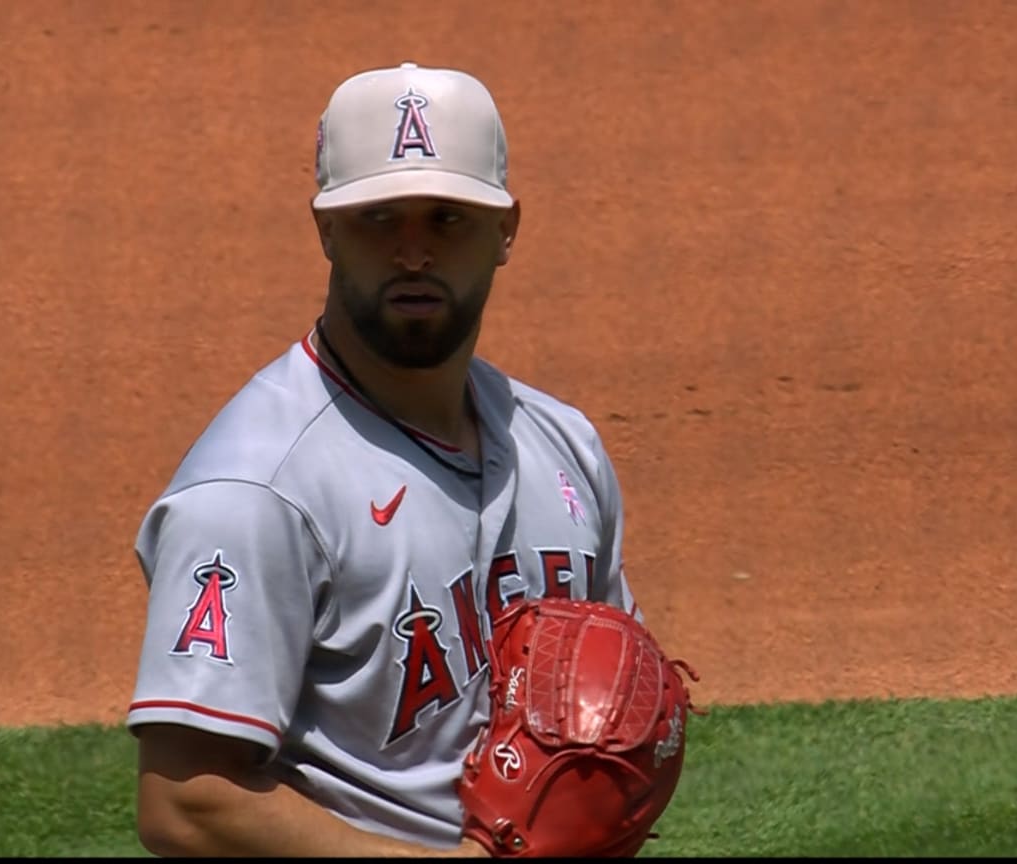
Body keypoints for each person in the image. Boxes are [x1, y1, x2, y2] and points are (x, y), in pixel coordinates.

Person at [125, 61, 645, 857]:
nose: (411, 252)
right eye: (377, 218)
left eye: (446, 219)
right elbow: (186, 803)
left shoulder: (562, 443)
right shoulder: (254, 489)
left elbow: (626, 704)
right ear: (326, 230)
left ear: (506, 231)